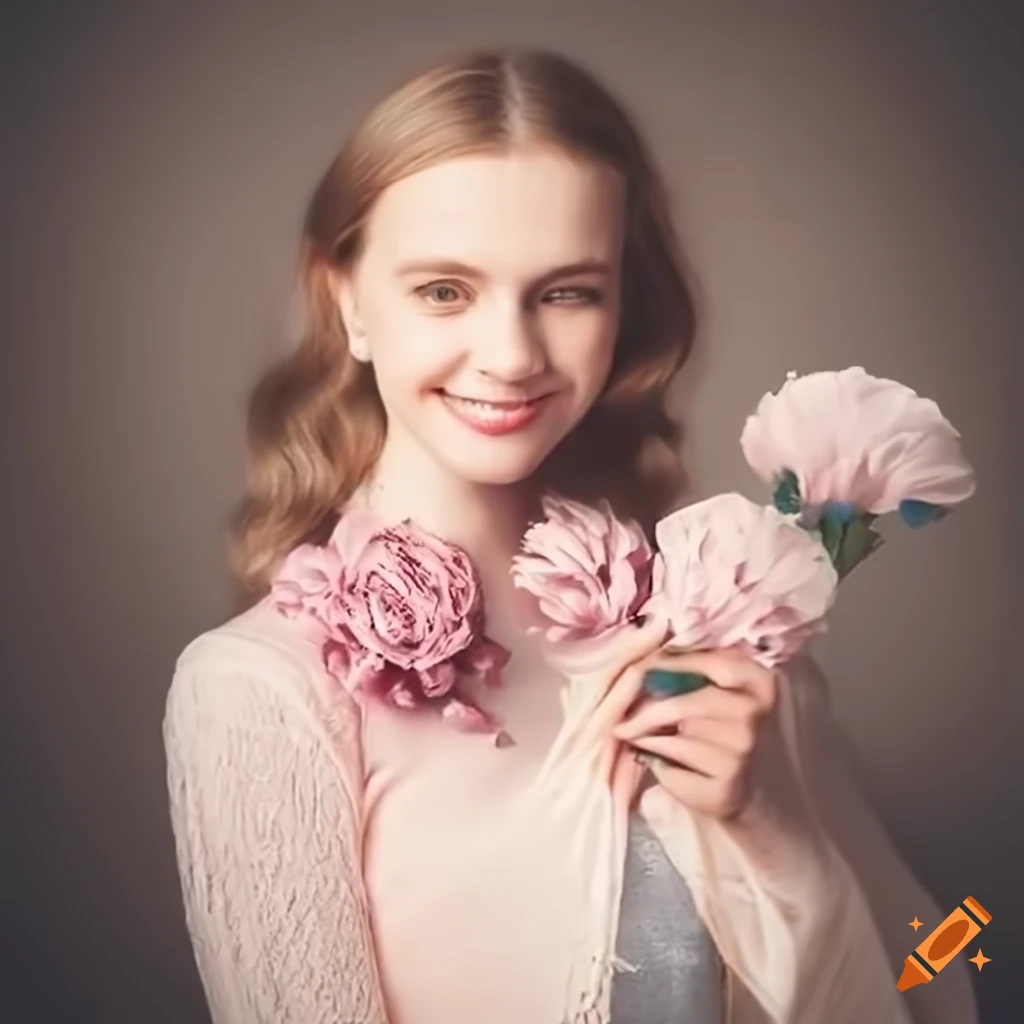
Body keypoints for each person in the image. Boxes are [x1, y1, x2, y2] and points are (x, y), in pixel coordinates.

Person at [163, 47, 978, 1024]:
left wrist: (776, 831)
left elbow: (945, 966)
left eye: (566, 292)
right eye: (443, 290)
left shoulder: (721, 623)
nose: (509, 355)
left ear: (621, 304)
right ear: (345, 298)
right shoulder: (260, 691)